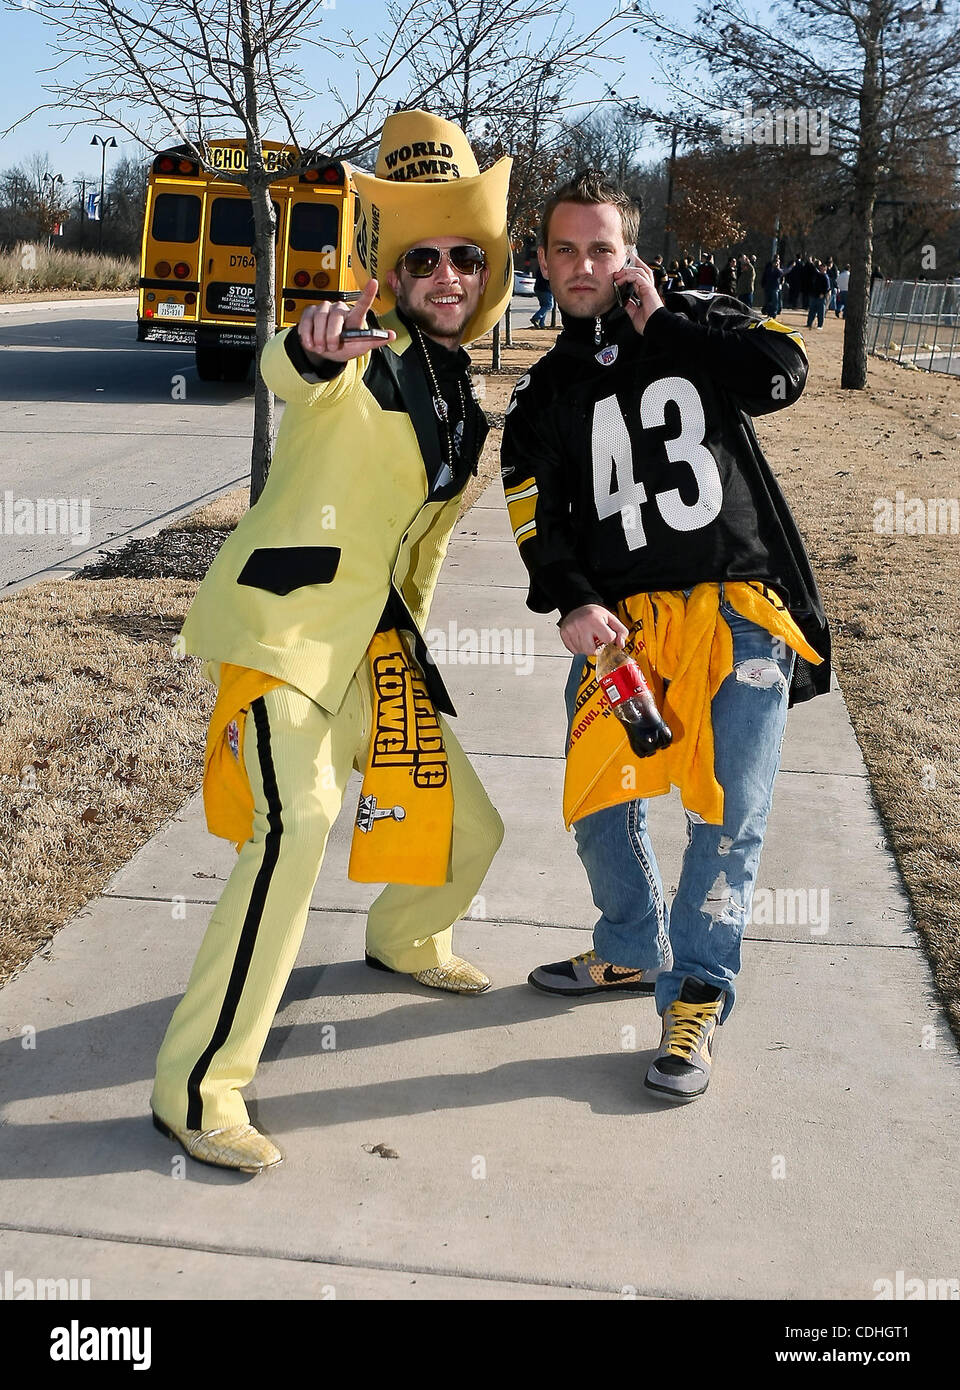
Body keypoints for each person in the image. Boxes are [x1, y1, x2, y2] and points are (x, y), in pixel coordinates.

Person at [150, 110, 513, 1173]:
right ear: (391, 274)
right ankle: (197, 1087)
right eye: (422, 259)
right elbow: (295, 371)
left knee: (471, 828)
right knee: (295, 825)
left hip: (374, 652)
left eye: (463, 257)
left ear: (484, 270)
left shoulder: (465, 399)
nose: (444, 274)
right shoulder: (358, 348)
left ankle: (405, 936)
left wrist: (414, 661)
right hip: (286, 637)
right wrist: (310, 349)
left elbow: (423, 548)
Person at [500, 169, 831, 1103]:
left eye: (600, 247)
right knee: (598, 799)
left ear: (630, 252)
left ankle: (696, 994)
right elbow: (539, 516)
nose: (582, 265)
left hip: (738, 615)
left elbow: (780, 375)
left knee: (729, 816)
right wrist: (570, 601)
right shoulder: (544, 392)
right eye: (564, 249)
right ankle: (630, 947)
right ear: (542, 259)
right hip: (621, 634)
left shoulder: (701, 318)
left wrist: (665, 325)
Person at [806, 258, 830, 329]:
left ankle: (820, 325)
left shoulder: (826, 277)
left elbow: (827, 288)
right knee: (812, 311)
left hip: (821, 297)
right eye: (820, 268)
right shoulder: (818, 275)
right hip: (814, 295)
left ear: (825, 269)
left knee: (820, 312)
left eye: (823, 268)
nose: (821, 269)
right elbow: (814, 269)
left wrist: (823, 294)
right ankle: (809, 323)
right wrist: (812, 263)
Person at [531, 262, 554, 328]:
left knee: (544, 306)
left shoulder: (541, 267)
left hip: (538, 288)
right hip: (545, 289)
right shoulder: (549, 268)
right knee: (549, 305)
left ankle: (541, 324)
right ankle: (536, 318)